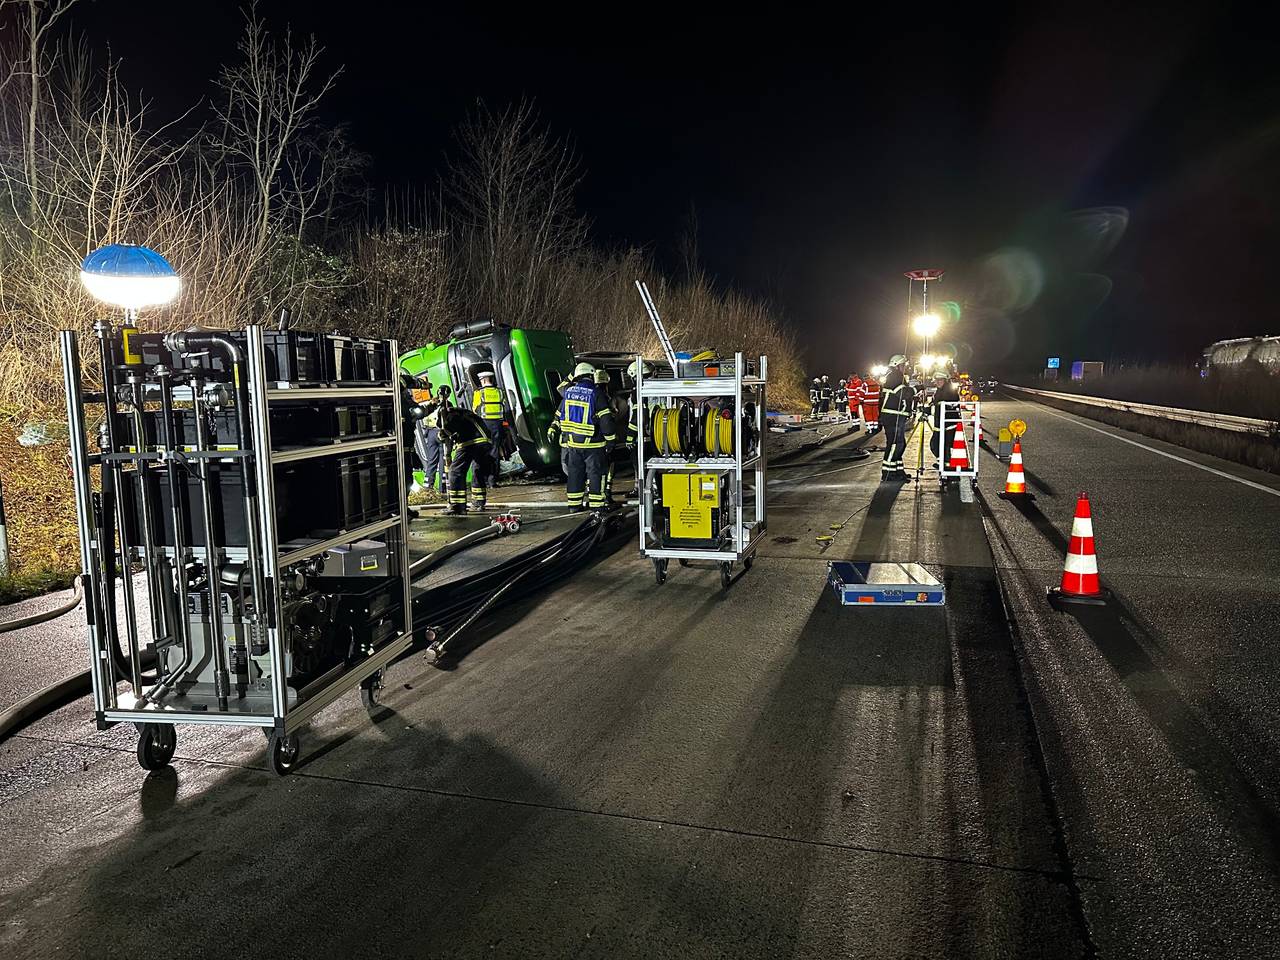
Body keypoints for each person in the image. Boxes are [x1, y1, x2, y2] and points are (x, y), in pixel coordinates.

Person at [551, 361, 617, 511]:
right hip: (593, 445)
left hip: (573, 444)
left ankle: (574, 505)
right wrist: (610, 441)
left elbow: (560, 413)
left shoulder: (568, 393)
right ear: (591, 376)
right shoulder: (595, 393)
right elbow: (605, 420)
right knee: (595, 474)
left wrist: (553, 428)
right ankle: (597, 506)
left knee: (575, 474)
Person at [438, 401, 495, 514]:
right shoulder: (464, 413)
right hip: (486, 441)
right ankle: (478, 503)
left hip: (471, 442)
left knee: (455, 471)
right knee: (477, 470)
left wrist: (444, 433)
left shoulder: (451, 414)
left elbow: (449, 429)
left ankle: (457, 506)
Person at [880, 355, 914, 482]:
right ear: (897, 365)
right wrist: (916, 389)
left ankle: (898, 470)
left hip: (896, 415)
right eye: (903, 365)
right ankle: (888, 473)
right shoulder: (895, 376)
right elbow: (903, 394)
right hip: (892, 416)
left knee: (900, 444)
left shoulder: (896, 376)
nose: (905, 367)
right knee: (895, 444)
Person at [926, 367, 961, 466]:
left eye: (940, 380)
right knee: (936, 444)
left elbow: (944, 404)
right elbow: (936, 403)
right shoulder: (940, 390)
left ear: (945, 380)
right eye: (936, 380)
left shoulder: (949, 391)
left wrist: (932, 407)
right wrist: (928, 408)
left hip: (948, 424)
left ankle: (947, 466)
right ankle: (942, 463)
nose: (937, 382)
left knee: (945, 445)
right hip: (940, 424)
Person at [471, 370, 506, 450]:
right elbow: (504, 403)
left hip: (485, 424)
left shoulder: (479, 393)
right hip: (499, 423)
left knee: (486, 448)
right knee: (495, 448)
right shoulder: (500, 392)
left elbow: (474, 409)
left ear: (483, 380)